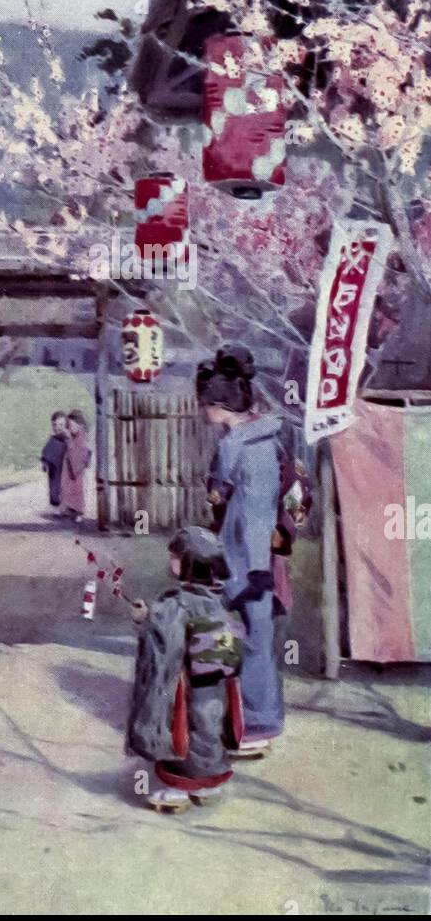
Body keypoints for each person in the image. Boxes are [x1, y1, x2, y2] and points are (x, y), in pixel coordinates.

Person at [196, 345, 285, 759]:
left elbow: (233, 504)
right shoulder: (263, 438)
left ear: (218, 405)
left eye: (204, 405)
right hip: (257, 553)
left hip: (247, 559)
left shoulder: (235, 446)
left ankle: (252, 724)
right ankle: (256, 718)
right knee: (255, 639)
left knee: (244, 640)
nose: (202, 413)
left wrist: (250, 571)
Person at [127, 525, 244, 813]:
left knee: (182, 724)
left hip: (187, 679)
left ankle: (179, 789)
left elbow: (164, 629)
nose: (172, 562)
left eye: (177, 557)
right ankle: (210, 783)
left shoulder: (178, 602)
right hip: (215, 680)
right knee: (210, 723)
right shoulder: (215, 599)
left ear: (193, 562)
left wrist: (146, 617)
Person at [59, 410, 91, 522]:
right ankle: (69, 508)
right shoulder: (72, 435)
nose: (70, 427)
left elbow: (80, 452)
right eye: (69, 424)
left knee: (78, 487)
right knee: (66, 486)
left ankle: (78, 511)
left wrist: (69, 440)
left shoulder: (81, 436)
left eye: (71, 424)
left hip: (77, 466)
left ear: (79, 424)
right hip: (69, 465)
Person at [41, 412, 68, 512]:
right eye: (55, 425)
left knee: (66, 485)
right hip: (54, 469)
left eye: (61, 425)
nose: (58, 428)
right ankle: (57, 504)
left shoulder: (68, 439)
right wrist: (44, 462)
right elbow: (46, 451)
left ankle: (67, 506)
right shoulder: (52, 439)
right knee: (54, 486)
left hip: (65, 467)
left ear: (66, 425)